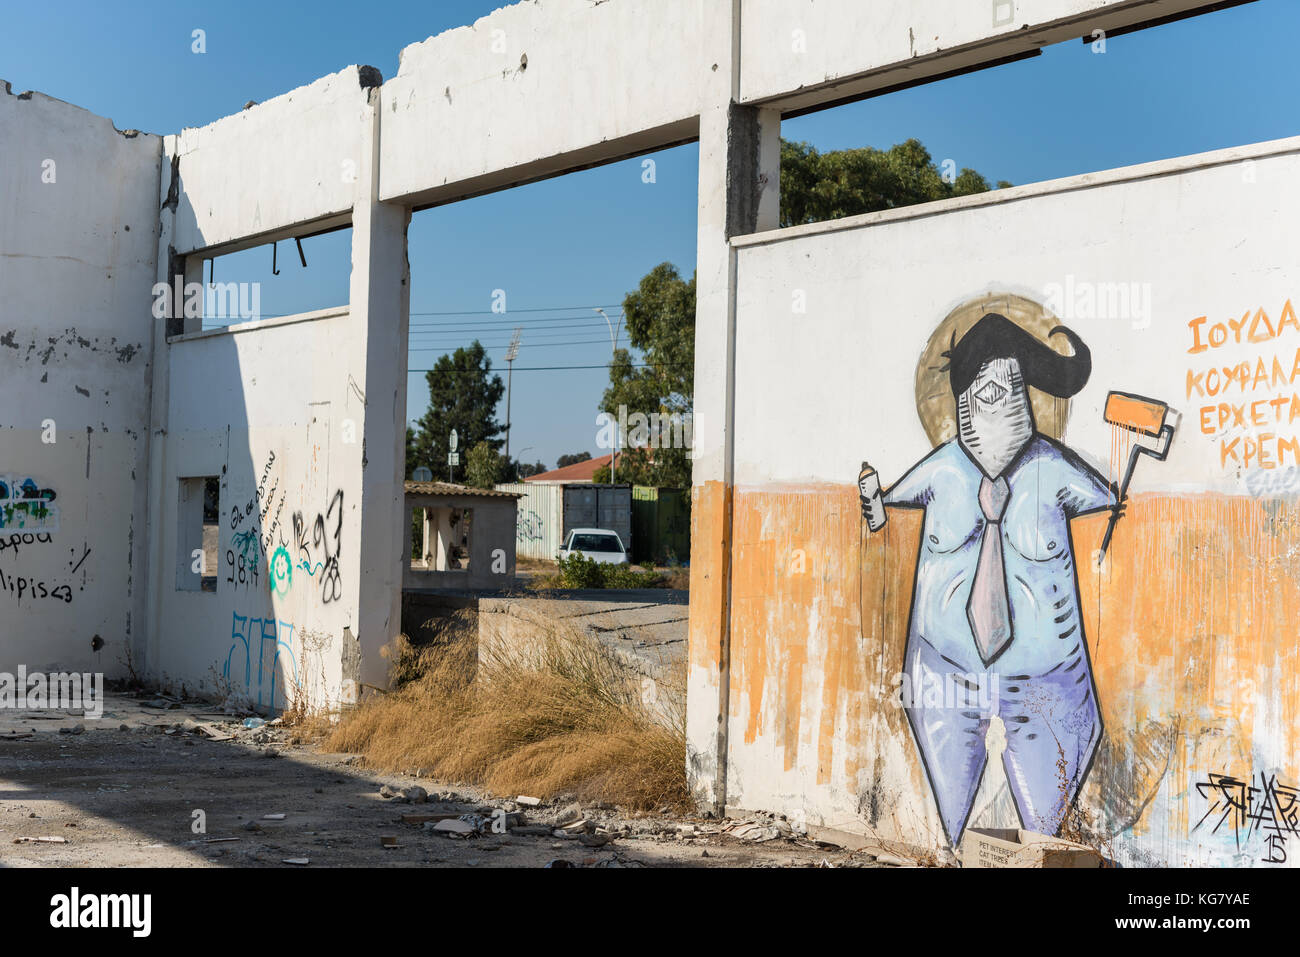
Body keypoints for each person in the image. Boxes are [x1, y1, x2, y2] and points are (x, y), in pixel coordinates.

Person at [859, 313, 1119, 847]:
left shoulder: (1053, 467)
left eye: (1012, 385)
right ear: (964, 400)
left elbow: (1110, 499)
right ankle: (953, 852)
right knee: (951, 806)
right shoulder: (942, 470)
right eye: (987, 386)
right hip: (942, 673)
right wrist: (873, 505)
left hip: (1049, 678)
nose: (999, 397)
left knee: (1046, 821)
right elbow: (883, 508)